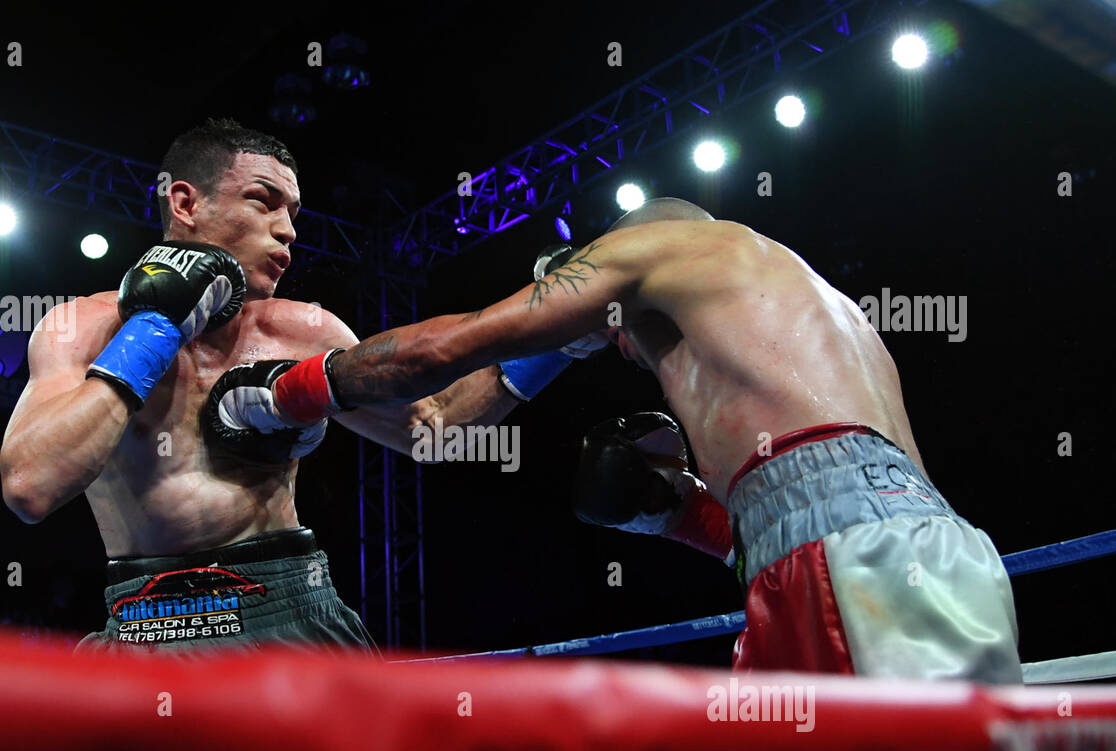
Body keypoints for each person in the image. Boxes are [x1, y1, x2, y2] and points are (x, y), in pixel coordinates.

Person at [231, 198, 1022, 682]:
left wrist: (282, 390)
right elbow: (831, 501)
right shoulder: (824, 311)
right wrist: (679, 516)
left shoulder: (657, 247)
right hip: (935, 560)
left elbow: (445, 351)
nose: (620, 354)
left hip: (848, 574)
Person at [0, 119, 567, 657]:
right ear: (185, 203)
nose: (288, 229)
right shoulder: (83, 328)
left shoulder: (303, 330)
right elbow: (30, 486)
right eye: (263, 200)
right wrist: (153, 332)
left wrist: (563, 338)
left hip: (291, 615)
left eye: (293, 212)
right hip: (144, 621)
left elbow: (432, 427)